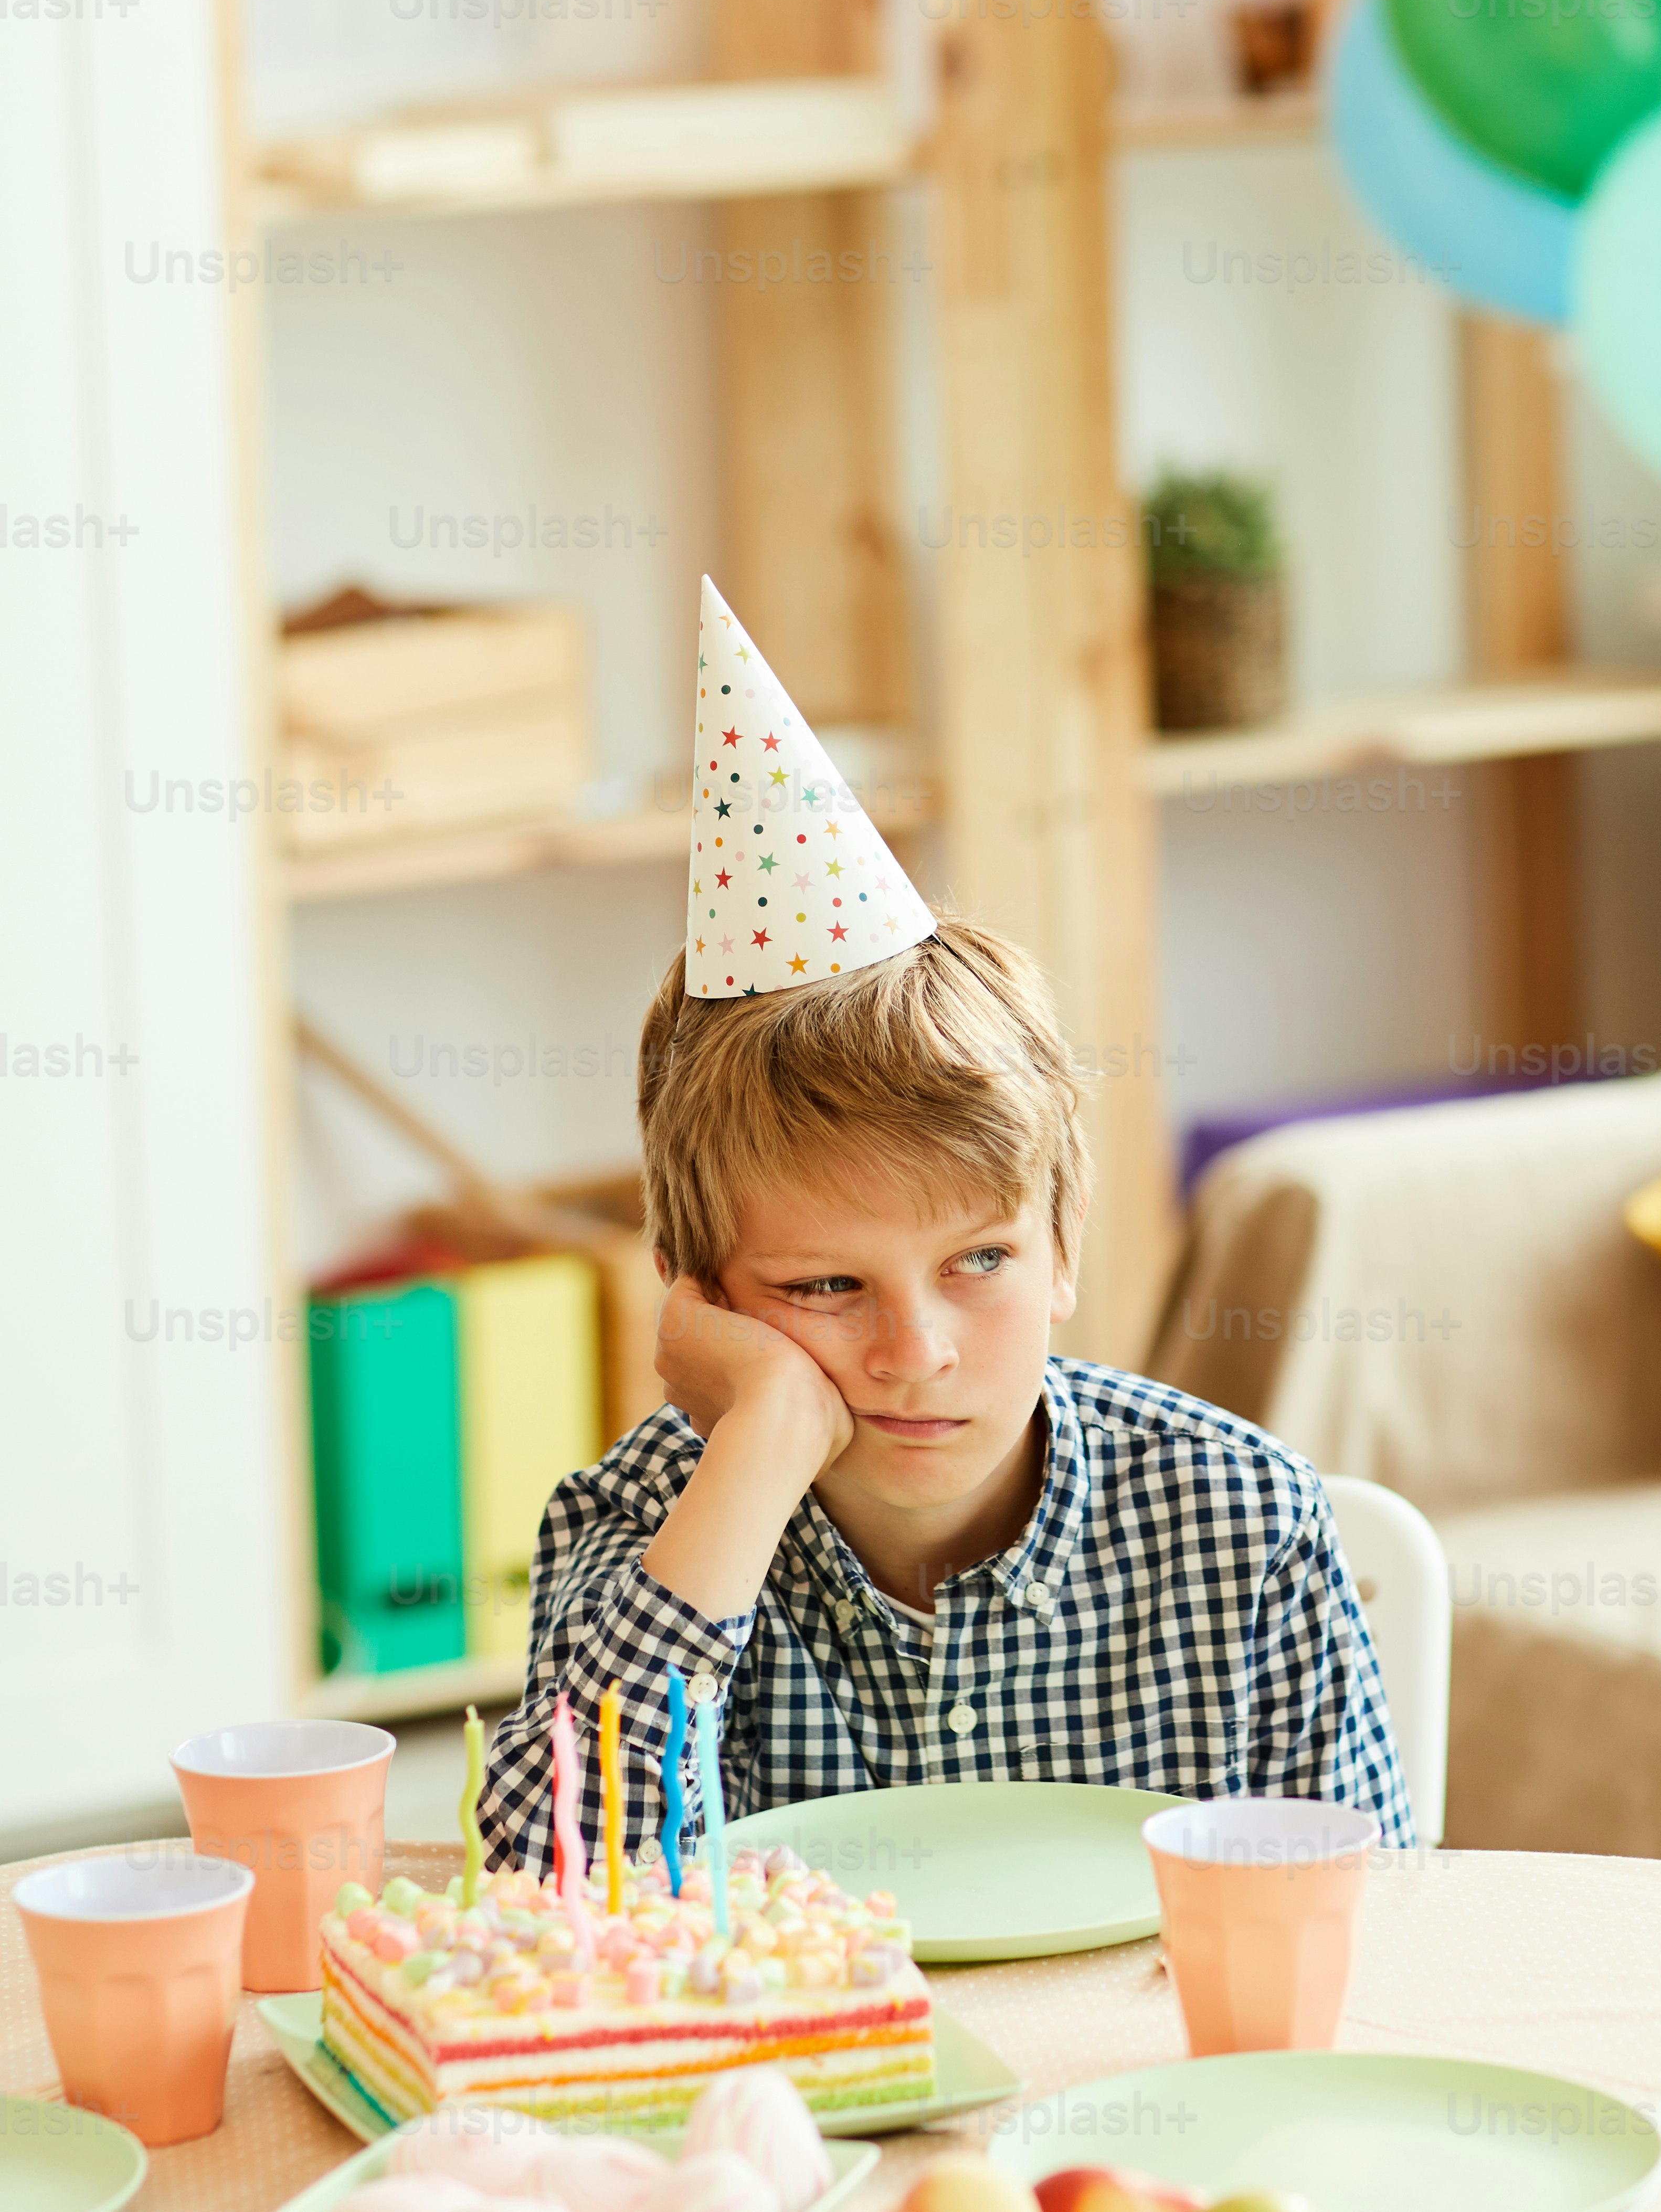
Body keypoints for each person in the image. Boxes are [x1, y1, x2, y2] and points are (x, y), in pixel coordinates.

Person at [477, 581, 1410, 1872]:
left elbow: (1373, 1929)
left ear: (1065, 1242)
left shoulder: (1241, 1523)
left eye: (979, 1260)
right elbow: (553, 1891)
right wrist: (760, 1447)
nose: (916, 1351)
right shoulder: (642, 1528)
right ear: (700, 1296)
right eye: (822, 1287)